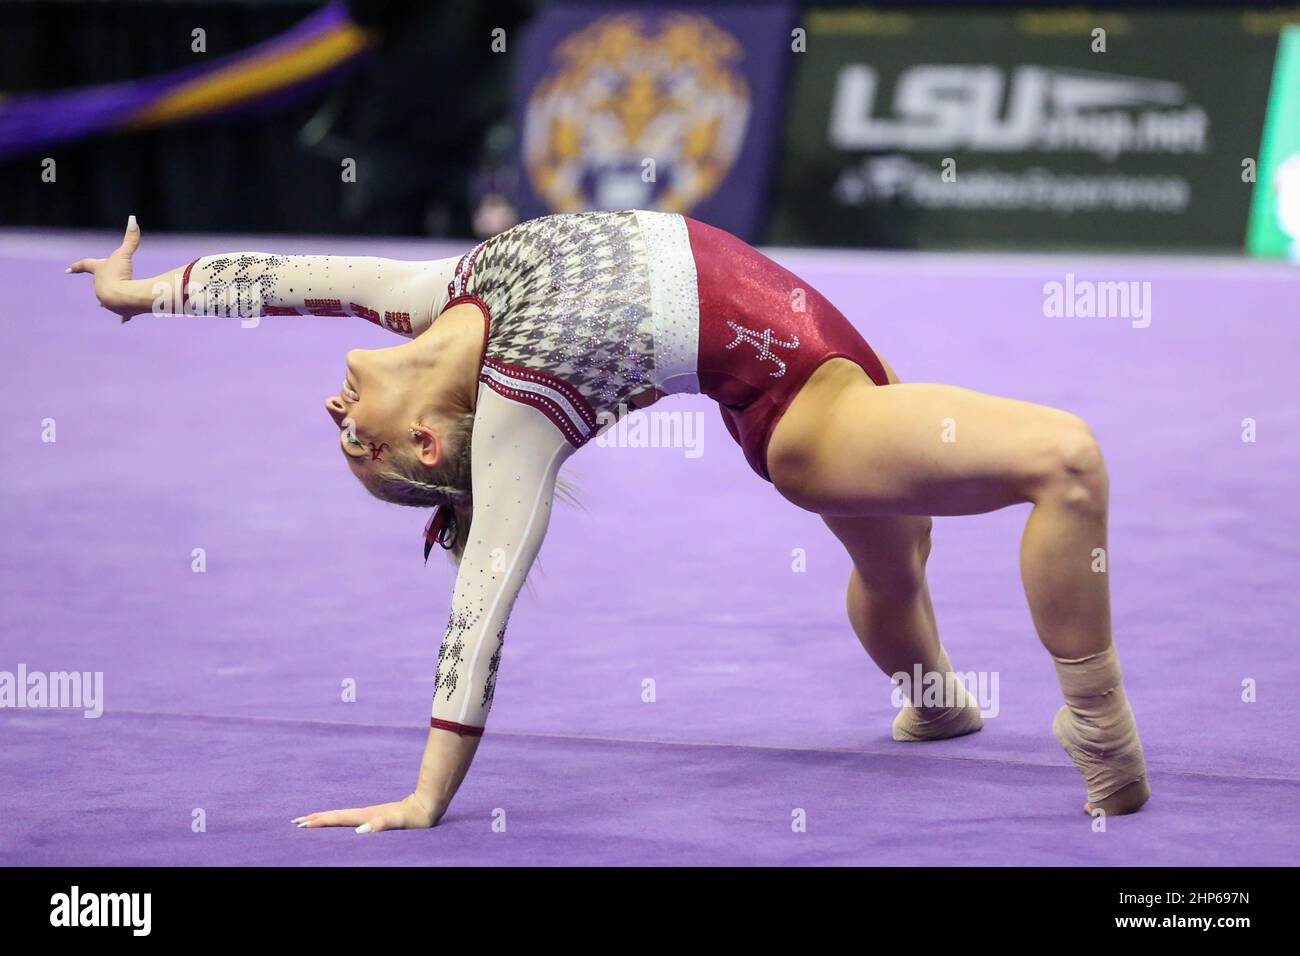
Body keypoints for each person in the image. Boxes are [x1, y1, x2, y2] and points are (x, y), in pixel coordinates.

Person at [70, 212, 1150, 832]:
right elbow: (480, 599)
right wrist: (424, 793)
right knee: (1065, 461)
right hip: (804, 409)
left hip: (823, 336)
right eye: (357, 443)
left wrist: (139, 295)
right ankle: (1096, 727)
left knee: (898, 556)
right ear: (431, 449)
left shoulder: (440, 292)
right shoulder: (517, 409)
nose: (336, 414)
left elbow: (286, 278)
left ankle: (935, 705)